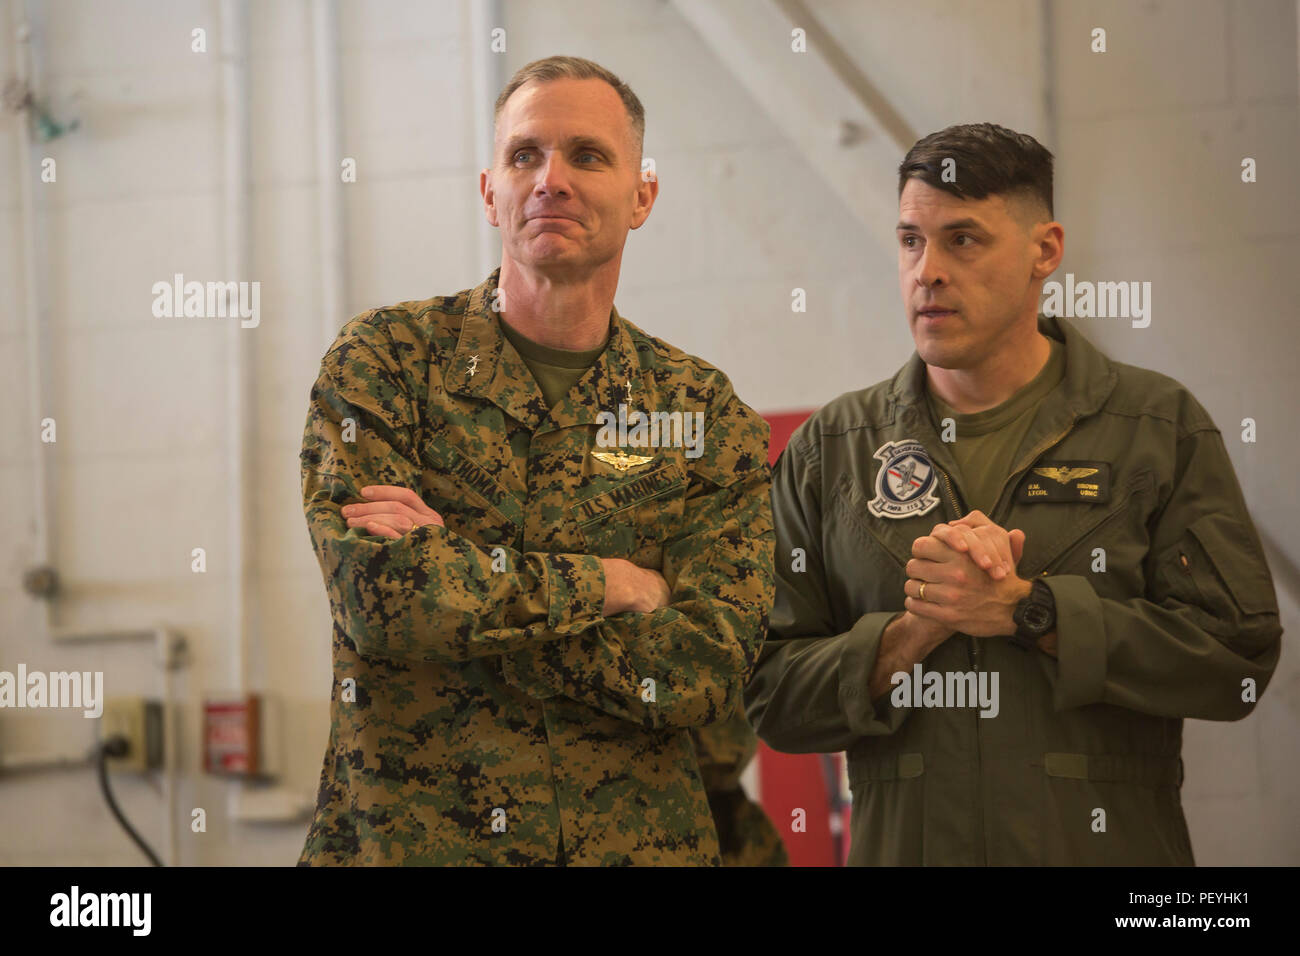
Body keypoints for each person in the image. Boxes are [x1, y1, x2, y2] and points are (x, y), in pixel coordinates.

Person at [745, 123, 1282, 865]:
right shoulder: (832, 451)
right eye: (910, 241)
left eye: (962, 239)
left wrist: (1033, 612)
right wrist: (913, 634)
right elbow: (768, 696)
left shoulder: (1156, 429)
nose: (926, 270)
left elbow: (1238, 664)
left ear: (1045, 251)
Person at [298, 56, 774, 865]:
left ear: (642, 197)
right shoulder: (386, 363)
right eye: (525, 155)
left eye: (588, 155)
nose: (551, 178)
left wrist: (463, 586)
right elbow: (382, 600)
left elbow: (707, 669)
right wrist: (615, 585)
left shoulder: (698, 412)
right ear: (491, 191)